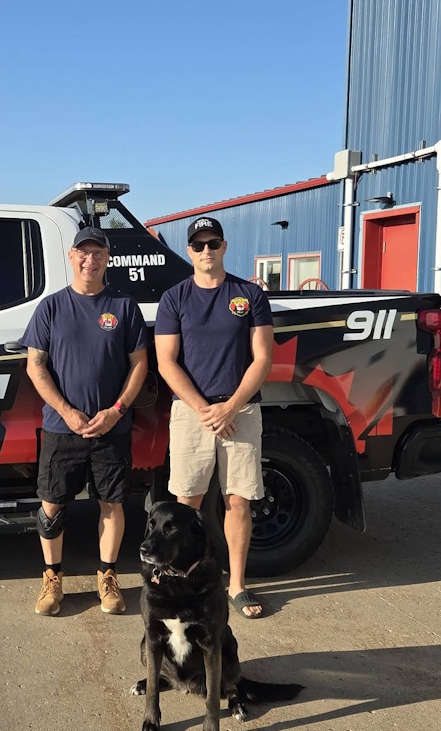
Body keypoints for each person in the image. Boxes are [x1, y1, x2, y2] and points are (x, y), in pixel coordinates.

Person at [21, 226, 149, 616]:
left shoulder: (124, 307)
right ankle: (52, 578)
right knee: (52, 505)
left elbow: (140, 365)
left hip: (112, 428)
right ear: (71, 257)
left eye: (97, 253)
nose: (89, 260)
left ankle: (107, 578)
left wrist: (117, 411)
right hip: (63, 428)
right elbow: (35, 366)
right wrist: (67, 411)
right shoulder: (51, 308)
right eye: (83, 253)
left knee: (112, 503)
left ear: (108, 259)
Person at [154, 217, 274, 619]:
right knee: (185, 504)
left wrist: (231, 406)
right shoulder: (174, 299)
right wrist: (205, 410)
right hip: (192, 414)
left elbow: (263, 358)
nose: (207, 251)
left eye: (214, 243)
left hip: (241, 410)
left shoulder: (249, 295)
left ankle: (236, 585)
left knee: (237, 501)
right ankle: (183, 582)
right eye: (199, 245)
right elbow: (166, 363)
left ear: (224, 247)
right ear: (189, 251)